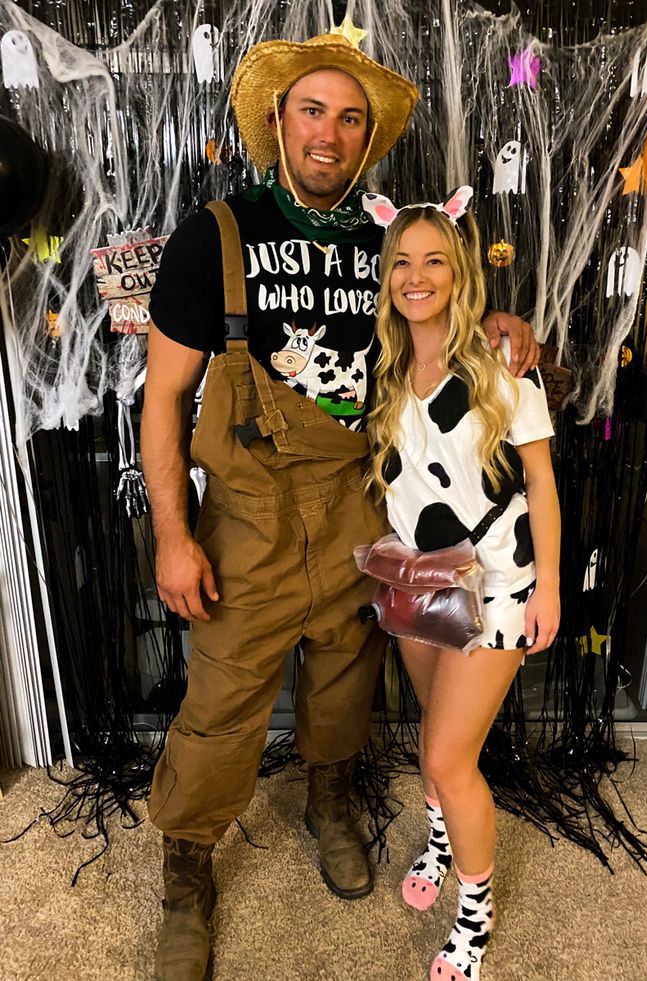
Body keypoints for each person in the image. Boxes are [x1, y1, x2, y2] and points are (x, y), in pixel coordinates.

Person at [141, 21, 539, 981]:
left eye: (350, 118)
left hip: (366, 504)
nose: (330, 132)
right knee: (223, 699)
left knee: (344, 679)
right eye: (312, 110)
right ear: (278, 120)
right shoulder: (216, 235)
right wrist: (172, 535)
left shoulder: (381, 236)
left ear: (368, 139)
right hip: (250, 515)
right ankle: (188, 869)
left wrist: (496, 322)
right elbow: (162, 396)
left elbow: (432, 302)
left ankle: (330, 799)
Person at [362, 187, 560, 981]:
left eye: (434, 260)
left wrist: (548, 586)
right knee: (431, 738)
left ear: (459, 270)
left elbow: (540, 483)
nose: (417, 276)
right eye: (402, 262)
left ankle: (472, 920)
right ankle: (443, 841)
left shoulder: (500, 363)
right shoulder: (387, 369)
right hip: (420, 581)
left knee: (448, 756)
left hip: (500, 585)